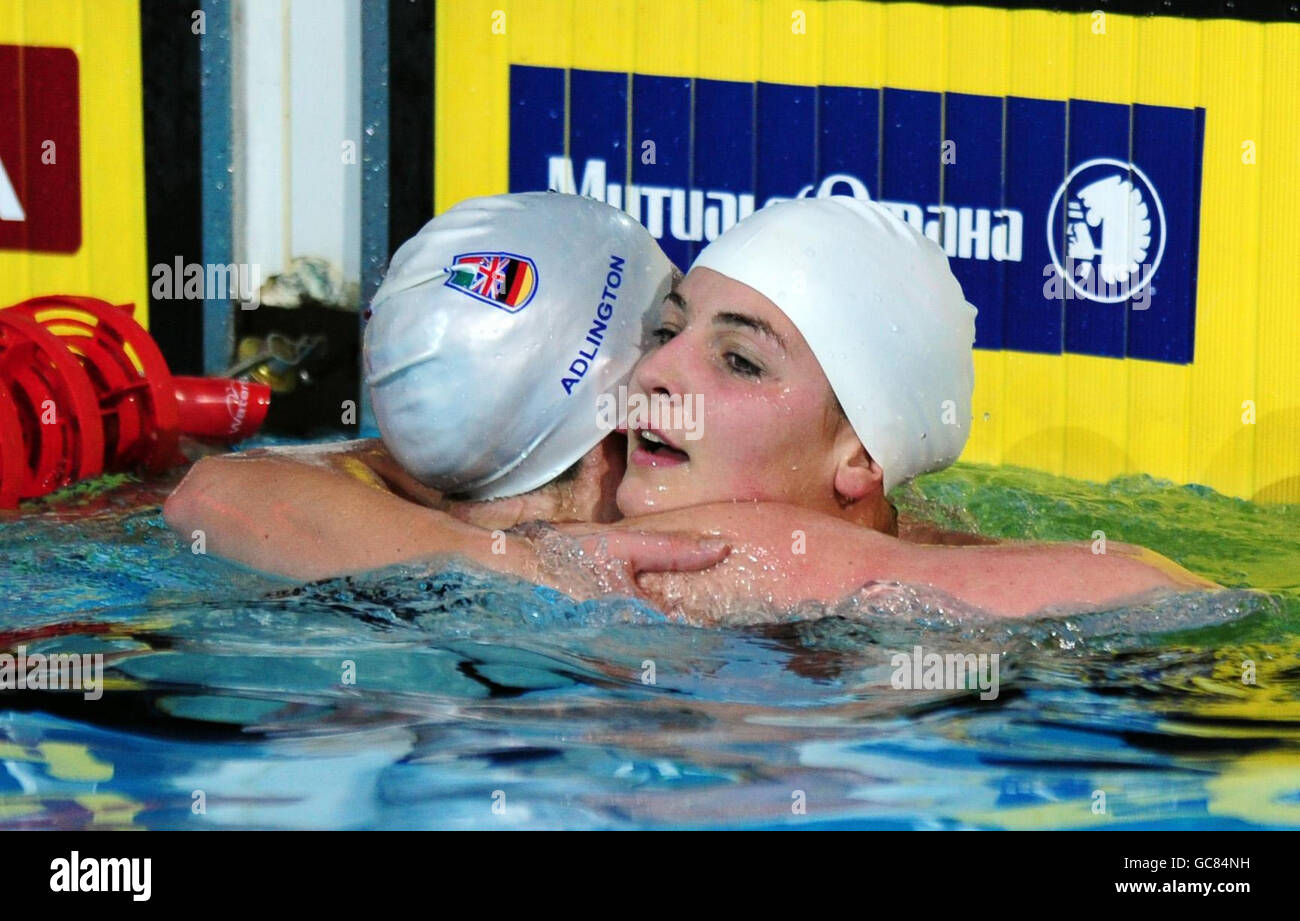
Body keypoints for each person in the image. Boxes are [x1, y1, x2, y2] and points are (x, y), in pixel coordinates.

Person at [165, 195, 1218, 622]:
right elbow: (219, 489)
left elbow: (1151, 583)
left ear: (860, 455)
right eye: (667, 327)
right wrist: (518, 562)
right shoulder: (591, 499)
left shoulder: (762, 548)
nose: (662, 371)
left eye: (742, 363)